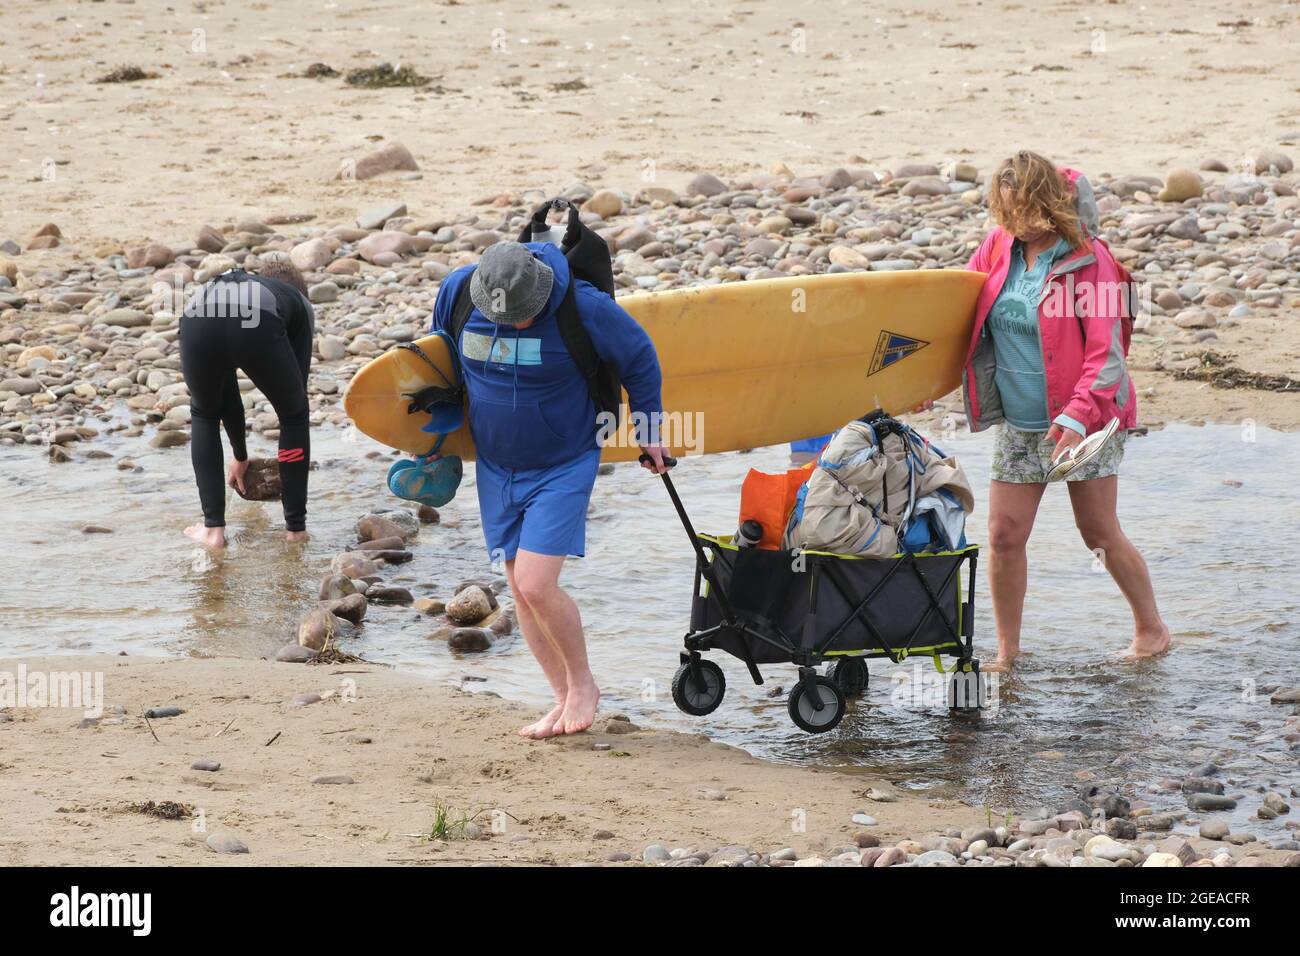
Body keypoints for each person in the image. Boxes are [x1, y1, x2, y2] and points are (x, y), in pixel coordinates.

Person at [431, 241, 667, 738]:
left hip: (565, 459)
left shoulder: (584, 307)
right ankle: (562, 699)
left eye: (525, 316)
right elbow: (438, 364)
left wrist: (650, 431)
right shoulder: (458, 293)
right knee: (520, 589)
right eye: (506, 316)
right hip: (496, 464)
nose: (515, 323)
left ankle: (583, 685)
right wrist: (430, 442)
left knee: (537, 583)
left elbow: (640, 359)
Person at [963, 151, 1170, 671]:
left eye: (1019, 212)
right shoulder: (997, 248)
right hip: (1018, 420)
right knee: (1004, 535)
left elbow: (1108, 358)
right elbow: (961, 320)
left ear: (1048, 205)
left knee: (1097, 533)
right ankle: (1008, 652)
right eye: (1002, 210)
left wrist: (1076, 417)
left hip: (1089, 418)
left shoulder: (1089, 261)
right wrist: (925, 380)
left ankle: (1152, 629)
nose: (1008, 222)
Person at [178, 253, 315, 548]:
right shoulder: (298, 302)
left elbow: (226, 396)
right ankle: (295, 530)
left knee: (204, 414)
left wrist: (240, 455)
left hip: (196, 316)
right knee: (294, 415)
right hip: (255, 320)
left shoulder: (230, 287)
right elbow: (294, 403)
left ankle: (213, 530)